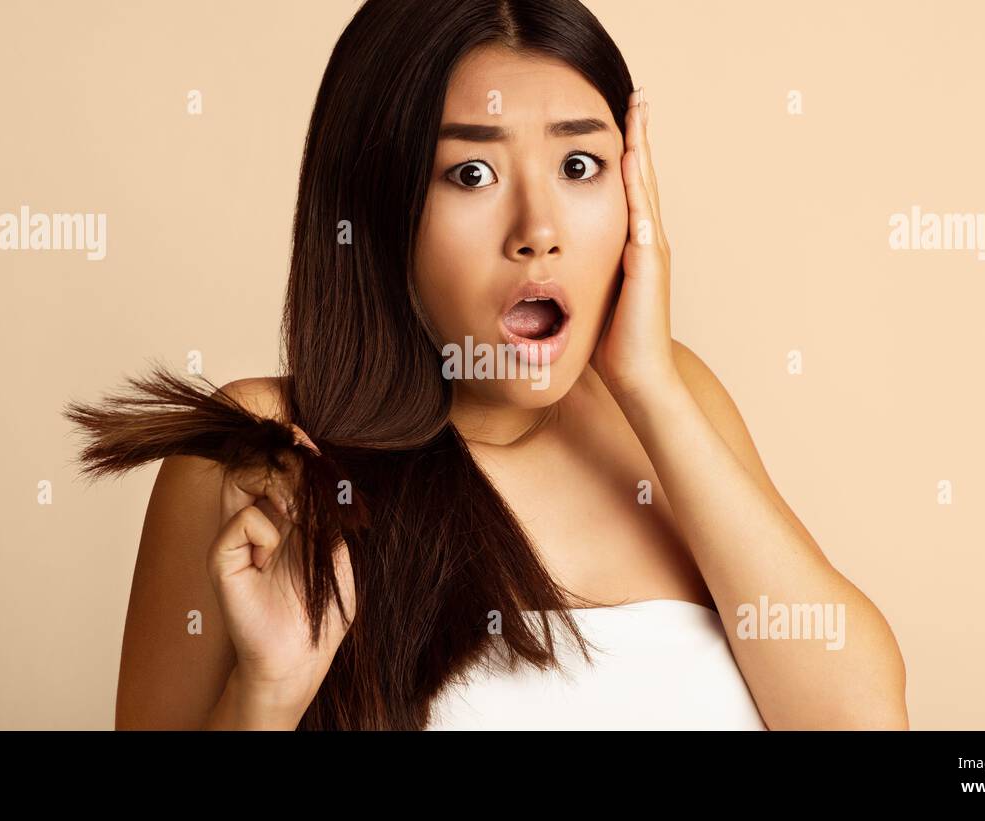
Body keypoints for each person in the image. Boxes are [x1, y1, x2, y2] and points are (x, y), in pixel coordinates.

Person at [63, 0, 908, 731]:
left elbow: (863, 719)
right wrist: (268, 694)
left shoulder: (670, 402)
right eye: (472, 172)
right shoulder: (258, 460)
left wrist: (650, 383)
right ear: (377, 208)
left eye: (579, 165)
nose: (537, 227)